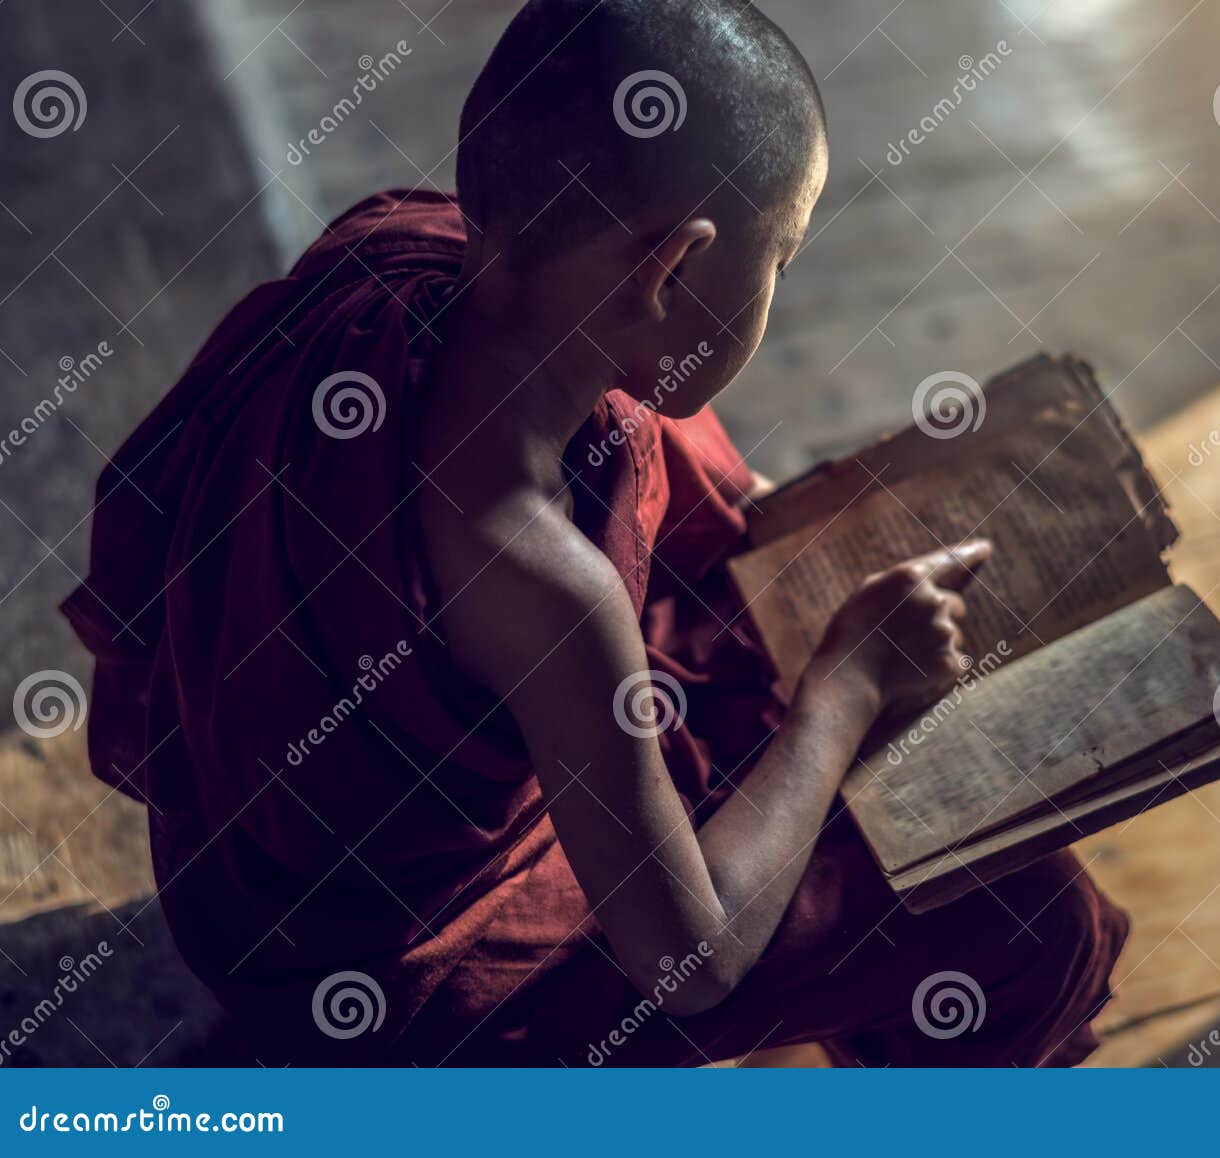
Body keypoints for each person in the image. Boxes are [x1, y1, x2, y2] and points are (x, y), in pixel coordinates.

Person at [63, 0, 1127, 1066]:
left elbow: (702, 495)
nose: (780, 287)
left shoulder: (393, 248)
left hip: (240, 884)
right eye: (783, 260)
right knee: (1030, 920)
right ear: (672, 273)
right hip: (401, 991)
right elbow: (691, 962)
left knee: (668, 493)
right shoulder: (542, 576)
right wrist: (848, 685)